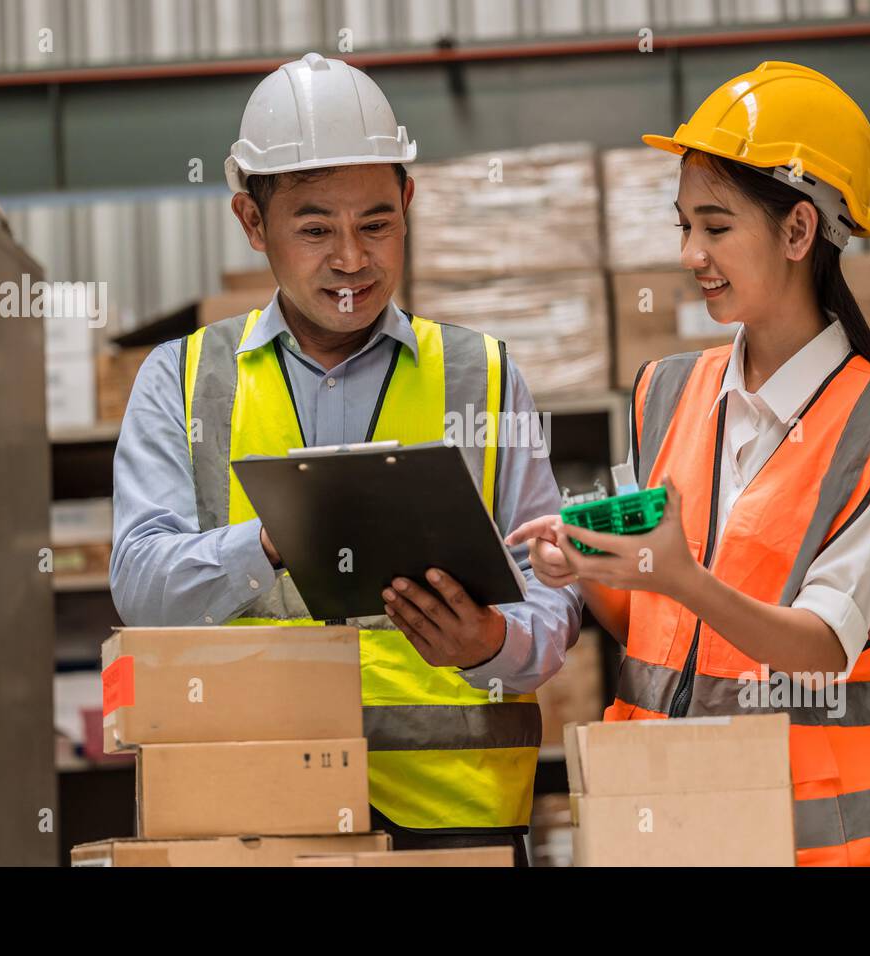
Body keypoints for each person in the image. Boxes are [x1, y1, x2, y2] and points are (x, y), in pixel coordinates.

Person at [110, 53, 581, 865]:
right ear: (253, 224)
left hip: (458, 820)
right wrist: (271, 540)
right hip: (255, 817)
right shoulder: (182, 381)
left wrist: (488, 642)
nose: (353, 260)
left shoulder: (484, 375)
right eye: (316, 227)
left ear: (408, 201)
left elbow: (555, 593)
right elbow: (142, 587)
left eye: (376, 223)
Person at [507, 61, 870, 866]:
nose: (690, 254)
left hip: (806, 841)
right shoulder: (667, 389)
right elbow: (662, 628)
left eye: (715, 227)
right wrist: (585, 570)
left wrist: (680, 575)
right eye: (683, 226)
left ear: (797, 232)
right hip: (659, 817)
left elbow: (824, 644)